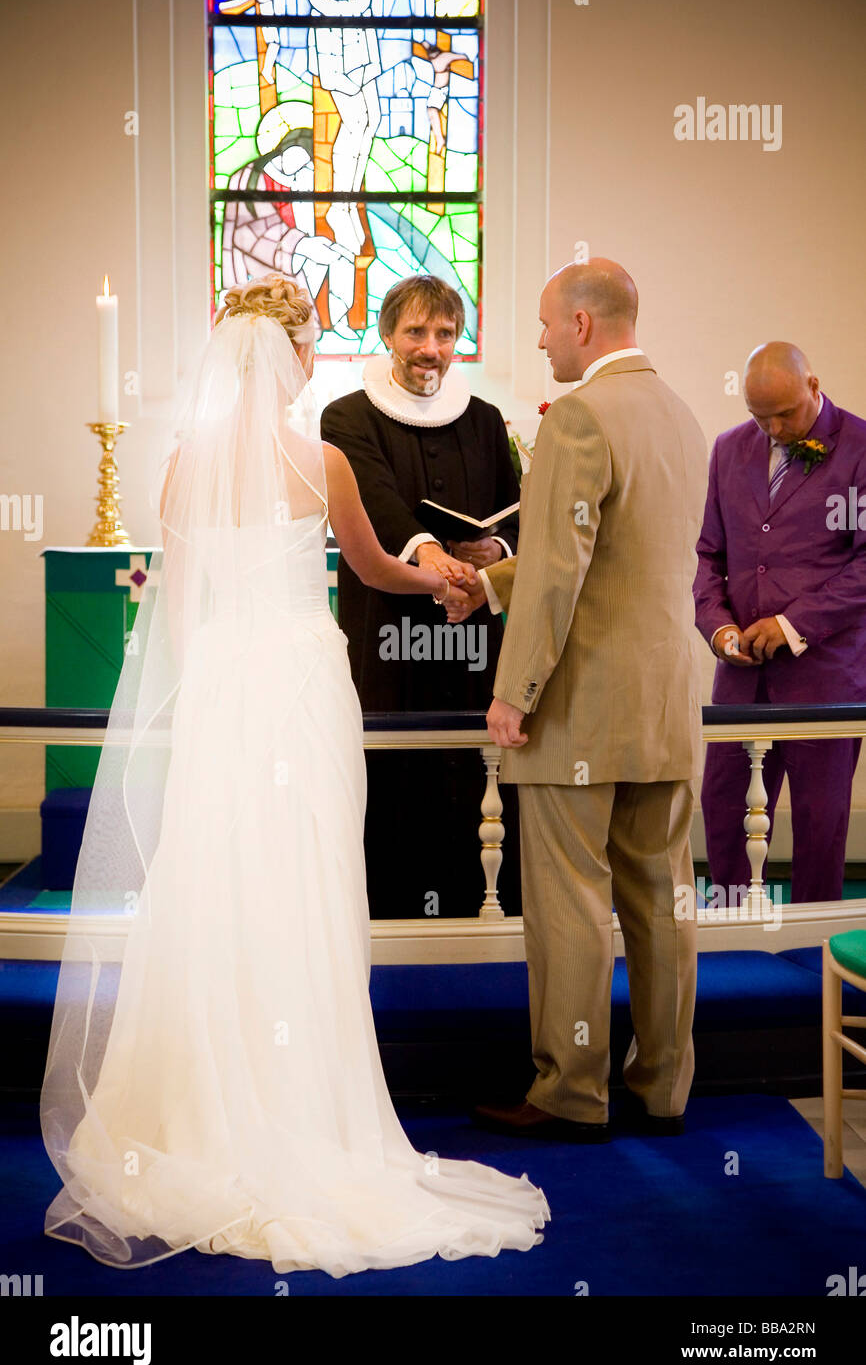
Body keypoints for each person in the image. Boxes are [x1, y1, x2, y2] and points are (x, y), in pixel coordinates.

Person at [39, 272, 549, 1275]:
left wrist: (203, 689)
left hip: (228, 682)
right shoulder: (319, 459)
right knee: (305, 883)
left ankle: (195, 1114)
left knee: (215, 877)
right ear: (295, 355)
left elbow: (177, 605)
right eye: (311, 342)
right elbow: (371, 569)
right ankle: (306, 1110)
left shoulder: (184, 465)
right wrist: (450, 574)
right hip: (304, 684)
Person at [445, 260, 707, 1139]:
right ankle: (663, 1087)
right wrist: (488, 589)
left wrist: (514, 694)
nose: (545, 339)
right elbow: (616, 560)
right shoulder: (680, 414)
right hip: (665, 704)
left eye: (549, 324)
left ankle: (570, 1093)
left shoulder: (580, 419)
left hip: (582, 709)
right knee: (662, 904)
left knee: (570, 908)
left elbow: (562, 571)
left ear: (585, 326)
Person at [320, 275, 522, 920]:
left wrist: (498, 550)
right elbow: (374, 500)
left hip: (472, 644)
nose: (429, 348)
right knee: (392, 781)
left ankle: (477, 914)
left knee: (472, 777)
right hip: (388, 638)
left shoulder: (486, 421)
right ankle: (388, 921)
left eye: (443, 334)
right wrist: (430, 553)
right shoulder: (348, 417)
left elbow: (516, 514)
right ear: (386, 335)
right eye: (415, 332)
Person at [694, 341, 866, 903]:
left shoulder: (861, 446)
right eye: (758, 415)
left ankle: (816, 949)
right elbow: (710, 557)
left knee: (821, 816)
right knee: (722, 803)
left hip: (826, 674)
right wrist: (718, 628)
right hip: (740, 676)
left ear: (814, 386)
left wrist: (792, 625)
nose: (773, 428)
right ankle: (733, 927)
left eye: (785, 413)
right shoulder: (727, 450)